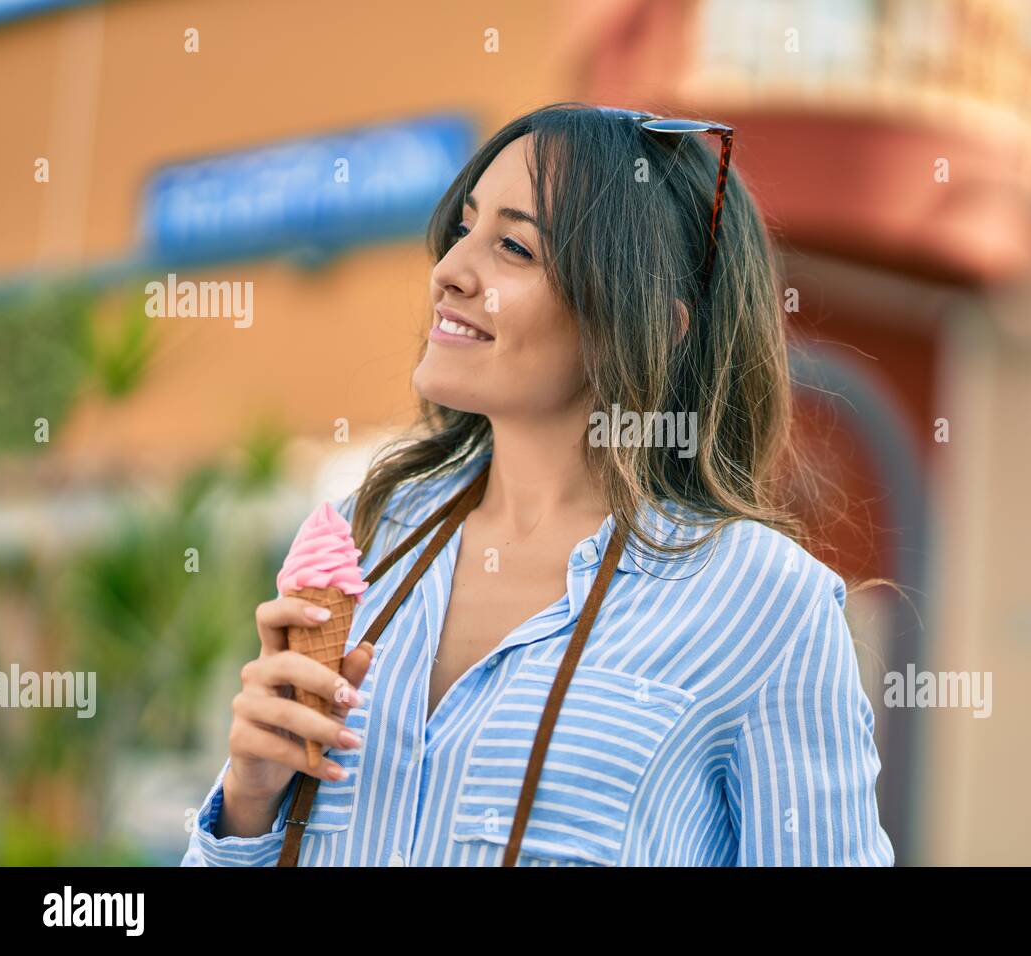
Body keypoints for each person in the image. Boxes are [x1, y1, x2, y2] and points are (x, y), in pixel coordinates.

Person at [181, 102, 895, 866]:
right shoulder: (365, 535)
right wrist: (251, 801)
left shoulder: (762, 603)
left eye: (514, 247)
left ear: (648, 319)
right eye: (463, 230)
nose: (450, 272)